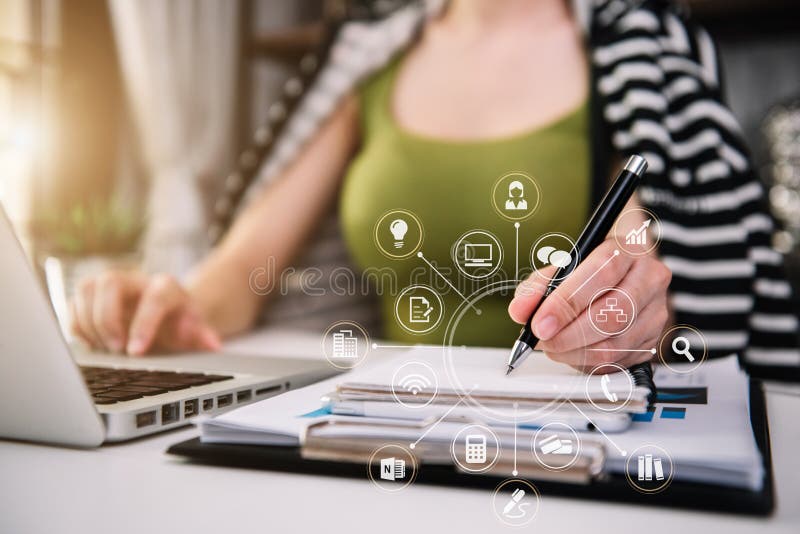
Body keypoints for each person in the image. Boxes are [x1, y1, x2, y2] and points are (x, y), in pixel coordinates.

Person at [71, 0, 797, 374]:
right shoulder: (365, 57)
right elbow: (241, 268)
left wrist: (625, 297)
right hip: (397, 427)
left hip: (574, 440)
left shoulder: (639, 51)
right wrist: (176, 301)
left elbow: (641, 228)